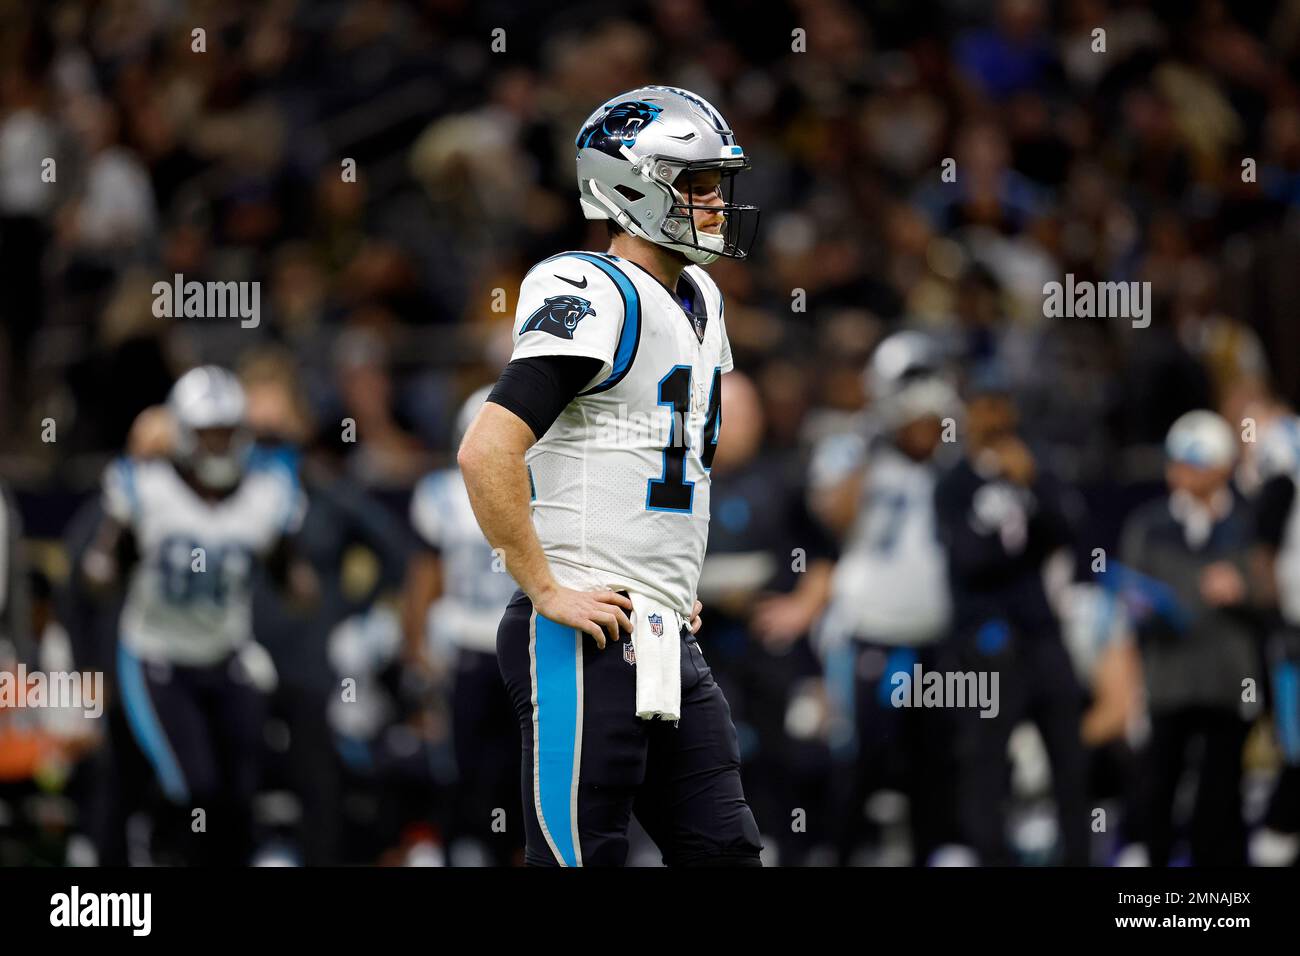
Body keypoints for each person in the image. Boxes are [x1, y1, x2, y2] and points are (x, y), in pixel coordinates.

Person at [458, 86, 763, 867]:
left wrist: (665, 576)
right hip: (582, 630)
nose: (714, 203)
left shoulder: (700, 299)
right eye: (694, 184)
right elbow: (486, 449)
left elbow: (673, 455)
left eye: (715, 184)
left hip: (662, 631)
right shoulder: (590, 287)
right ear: (631, 184)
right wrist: (547, 588)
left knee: (726, 852)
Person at [80, 366, 317, 865]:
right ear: (183, 434)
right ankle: (158, 853)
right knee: (193, 783)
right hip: (157, 655)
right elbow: (101, 568)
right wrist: (105, 559)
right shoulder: (147, 486)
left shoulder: (266, 492)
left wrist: (297, 580)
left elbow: (288, 573)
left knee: (238, 785)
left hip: (225, 653)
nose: (218, 446)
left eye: (227, 433)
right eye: (207, 434)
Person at [810, 331, 963, 865]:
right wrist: (873, 442)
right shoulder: (855, 448)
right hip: (868, 631)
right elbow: (834, 515)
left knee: (932, 766)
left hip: (932, 636)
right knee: (859, 765)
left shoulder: (949, 457)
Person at [934, 368, 1090, 865]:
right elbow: (968, 559)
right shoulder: (954, 483)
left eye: (1001, 404)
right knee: (985, 762)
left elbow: (1071, 533)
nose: (994, 416)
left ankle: (1079, 857)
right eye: (983, 405)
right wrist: (1014, 544)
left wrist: (1034, 484)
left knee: (1071, 758)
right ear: (968, 414)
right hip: (986, 640)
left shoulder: (1037, 468)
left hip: (1042, 634)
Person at [1119, 410, 1260, 866]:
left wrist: (1245, 590)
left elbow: (1276, 589)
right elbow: (1130, 595)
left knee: (1222, 794)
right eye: (1175, 460)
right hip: (1170, 678)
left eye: (1193, 461)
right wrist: (1149, 606)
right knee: (1159, 784)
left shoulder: (1249, 521)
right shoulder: (1149, 524)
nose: (1180, 471)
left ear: (1221, 467)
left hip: (1227, 678)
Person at [404, 385, 524, 866]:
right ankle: (466, 848)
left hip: (521, 644)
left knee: (524, 768)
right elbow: (425, 577)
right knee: (464, 767)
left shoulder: (540, 488)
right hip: (466, 646)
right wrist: (415, 649)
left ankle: (512, 849)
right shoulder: (442, 496)